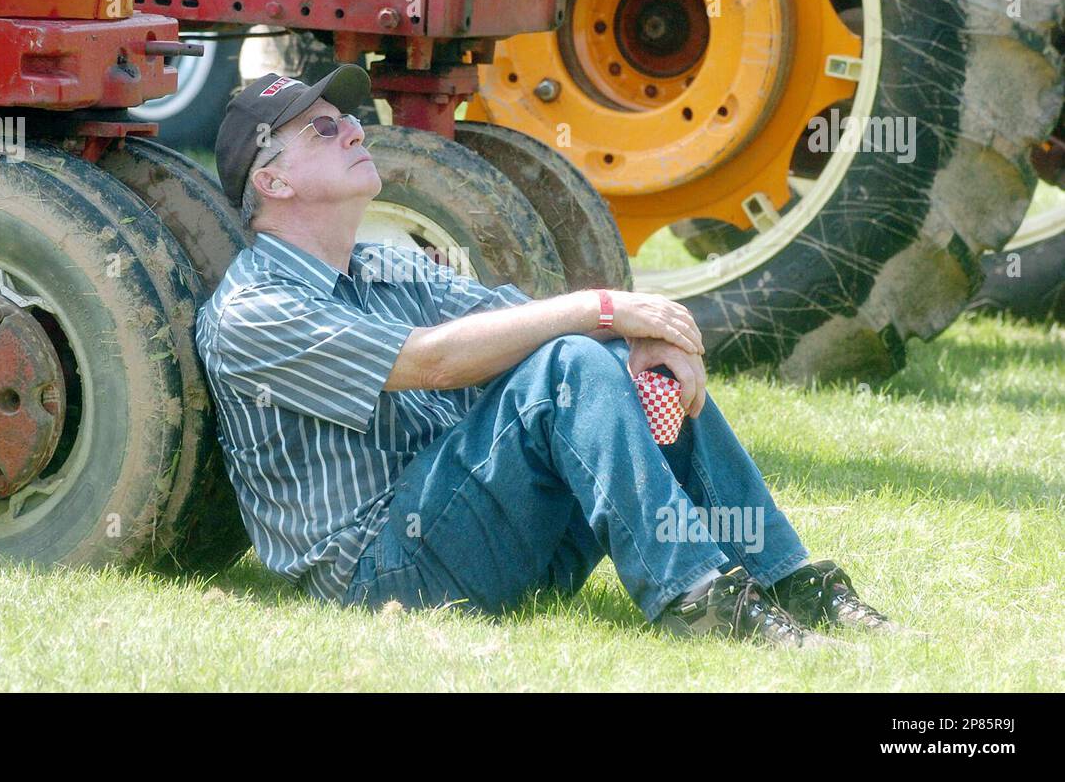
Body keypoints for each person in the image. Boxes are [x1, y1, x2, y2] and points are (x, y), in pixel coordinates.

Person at [194, 64, 895, 647]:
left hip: (485, 535)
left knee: (607, 357)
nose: (353, 126)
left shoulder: (383, 265)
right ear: (272, 182)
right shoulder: (252, 310)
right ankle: (701, 602)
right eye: (322, 127)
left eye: (347, 115)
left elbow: (512, 319)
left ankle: (787, 580)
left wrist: (643, 339)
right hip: (382, 576)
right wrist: (606, 309)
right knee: (566, 367)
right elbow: (430, 361)